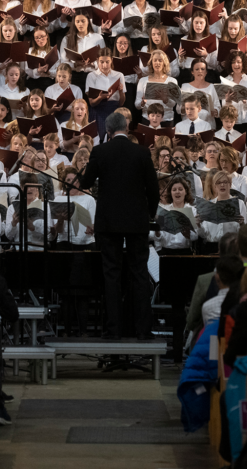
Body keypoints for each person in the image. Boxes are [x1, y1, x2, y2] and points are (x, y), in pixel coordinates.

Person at [79, 112, 159, 339]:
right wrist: (149, 214)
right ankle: (143, 330)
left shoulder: (100, 151)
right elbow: (153, 189)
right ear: (127, 127)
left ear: (109, 131)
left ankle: (113, 330)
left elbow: (85, 182)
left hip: (108, 222)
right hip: (136, 222)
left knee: (111, 275)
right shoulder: (142, 152)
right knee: (140, 274)